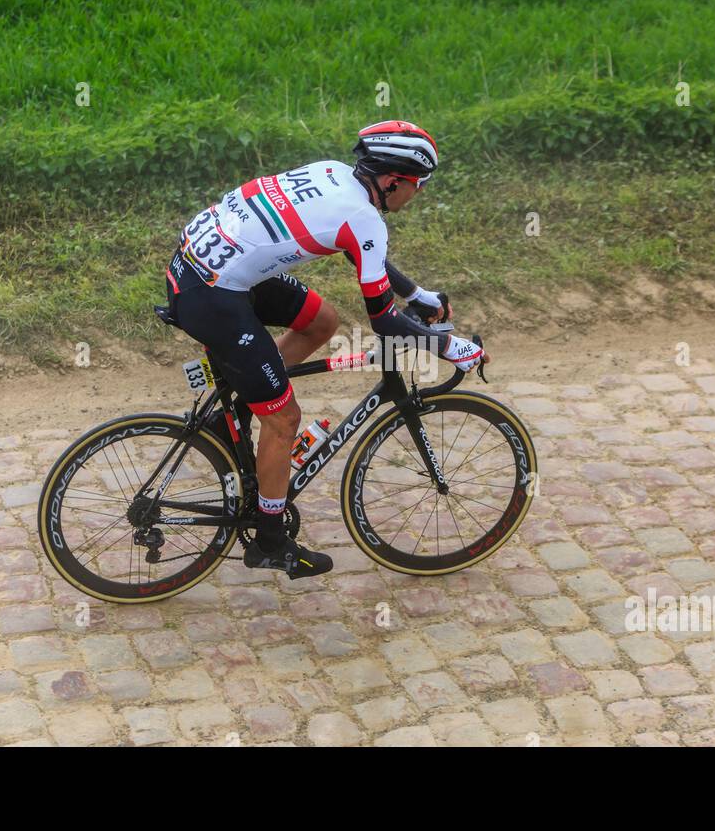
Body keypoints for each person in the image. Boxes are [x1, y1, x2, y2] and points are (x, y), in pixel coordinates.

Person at [164, 120, 487, 578]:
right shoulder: (365, 217)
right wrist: (451, 347)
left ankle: (237, 399)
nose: (417, 195)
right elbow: (385, 323)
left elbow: (361, 251)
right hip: (214, 293)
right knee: (283, 419)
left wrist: (416, 295)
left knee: (322, 321)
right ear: (394, 181)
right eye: (418, 186)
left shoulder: (335, 174)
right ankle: (271, 542)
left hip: (203, 266)